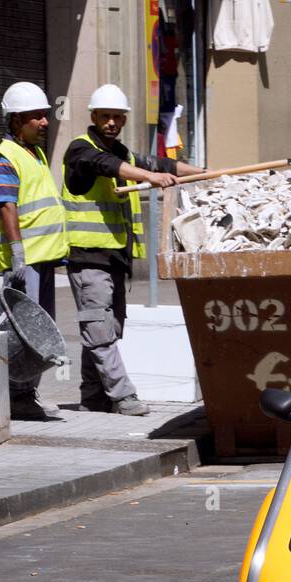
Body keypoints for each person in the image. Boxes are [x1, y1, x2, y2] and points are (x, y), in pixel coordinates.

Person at [61, 84, 205, 415]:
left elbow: (164, 165)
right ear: (94, 116)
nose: (112, 122)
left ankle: (93, 396)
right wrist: (147, 177)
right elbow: (105, 165)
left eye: (117, 117)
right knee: (99, 328)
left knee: (104, 329)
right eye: (106, 116)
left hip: (114, 258)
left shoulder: (124, 154)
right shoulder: (79, 150)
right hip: (87, 257)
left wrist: (206, 174)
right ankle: (123, 395)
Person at [0, 82, 69, 421]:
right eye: (37, 117)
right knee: (24, 332)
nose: (45, 123)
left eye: (45, 116)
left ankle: (24, 394)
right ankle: (17, 396)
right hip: (26, 262)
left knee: (40, 329)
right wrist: (17, 253)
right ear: (17, 120)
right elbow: (7, 208)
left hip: (43, 257)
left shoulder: (35, 153)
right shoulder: (4, 158)